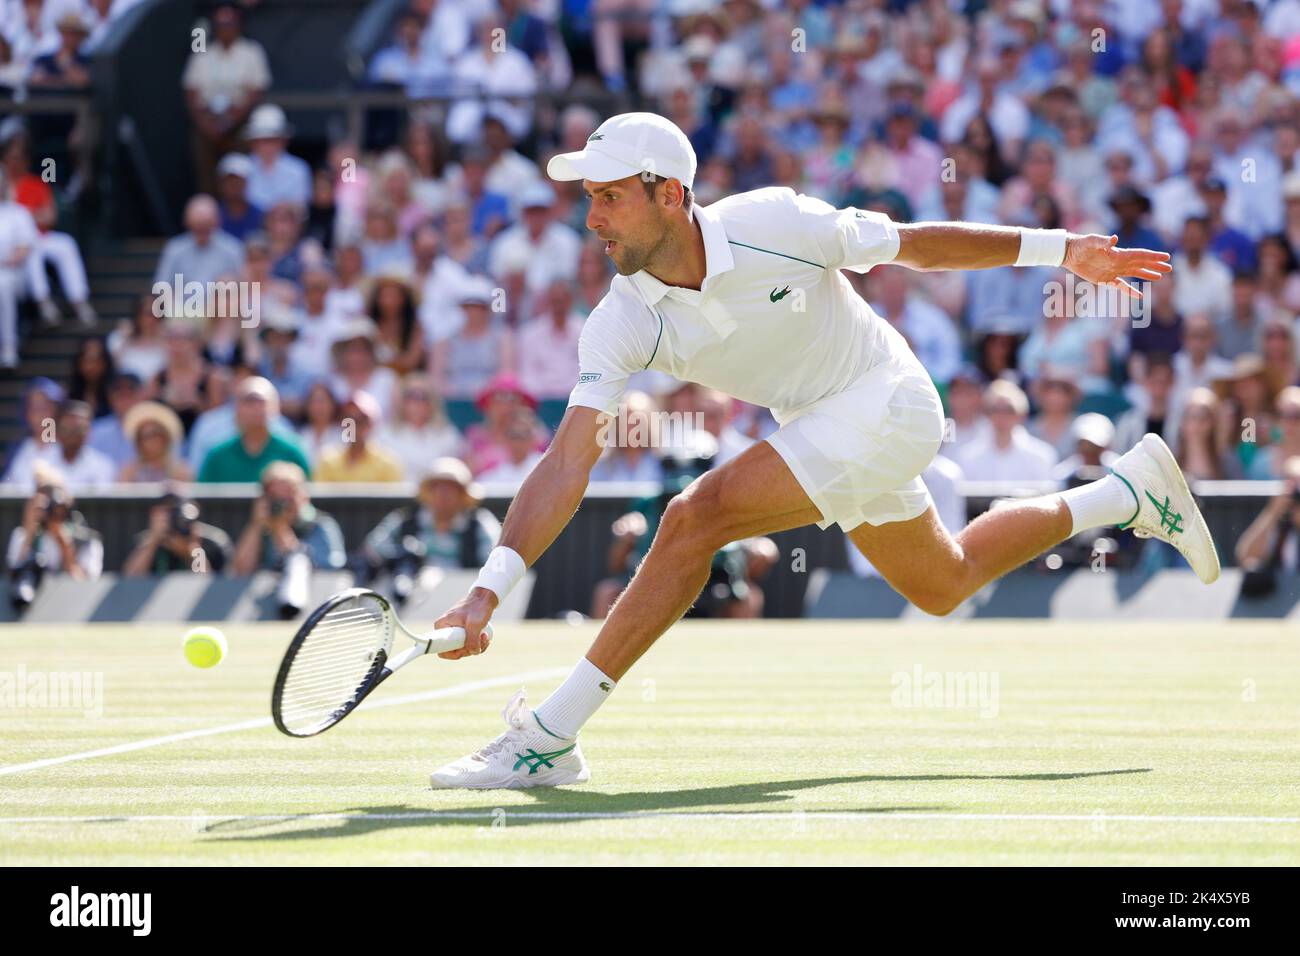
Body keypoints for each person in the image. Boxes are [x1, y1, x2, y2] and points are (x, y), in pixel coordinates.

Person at [423, 112, 1219, 790]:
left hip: (890, 398)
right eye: (587, 200)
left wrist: (1060, 251)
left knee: (693, 518)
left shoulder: (776, 222)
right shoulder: (620, 319)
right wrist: (488, 591)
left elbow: (913, 246)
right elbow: (568, 461)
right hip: (819, 425)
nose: (592, 219)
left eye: (608, 197)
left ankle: (551, 736)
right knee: (943, 582)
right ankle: (1126, 492)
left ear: (669, 194)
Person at [358, 457, 501, 599]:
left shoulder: (480, 523)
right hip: (408, 603)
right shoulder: (405, 520)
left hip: (464, 599)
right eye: (437, 487)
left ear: (462, 494)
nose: (443, 494)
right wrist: (402, 558)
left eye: (450, 488)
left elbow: (496, 562)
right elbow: (372, 549)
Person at [6, 470, 102, 611]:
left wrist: (63, 543)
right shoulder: (22, 535)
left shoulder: (86, 540)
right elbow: (14, 575)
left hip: (73, 610)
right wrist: (30, 531)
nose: (49, 510)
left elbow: (85, 587)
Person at [230, 461, 345, 574]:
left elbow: (330, 570)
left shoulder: (320, 525)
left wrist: (281, 530)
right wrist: (257, 525)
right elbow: (240, 570)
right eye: (276, 498)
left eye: (289, 496)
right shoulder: (263, 528)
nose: (283, 505)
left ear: (303, 496)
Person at [197, 377, 311, 482]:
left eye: (262, 402)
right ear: (236, 409)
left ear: (276, 407)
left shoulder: (293, 452)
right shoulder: (217, 456)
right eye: (250, 402)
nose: (257, 408)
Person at [3, 399, 115, 493]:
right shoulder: (39, 463)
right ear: (57, 431)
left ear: (89, 433)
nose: (72, 435)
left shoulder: (103, 465)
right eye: (67, 429)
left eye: (78, 429)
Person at [122, 491, 232, 576]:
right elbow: (130, 579)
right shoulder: (145, 542)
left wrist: (192, 551)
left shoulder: (212, 543)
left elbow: (208, 587)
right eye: (169, 512)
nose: (175, 519)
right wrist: (154, 540)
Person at [314, 390, 403, 483]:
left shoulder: (388, 464)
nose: (353, 426)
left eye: (361, 420)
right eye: (348, 419)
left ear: (372, 424)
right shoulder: (328, 461)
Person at [119, 400, 192, 482]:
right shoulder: (129, 473)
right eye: (143, 436)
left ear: (165, 437)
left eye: (154, 434)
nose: (149, 441)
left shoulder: (181, 472)